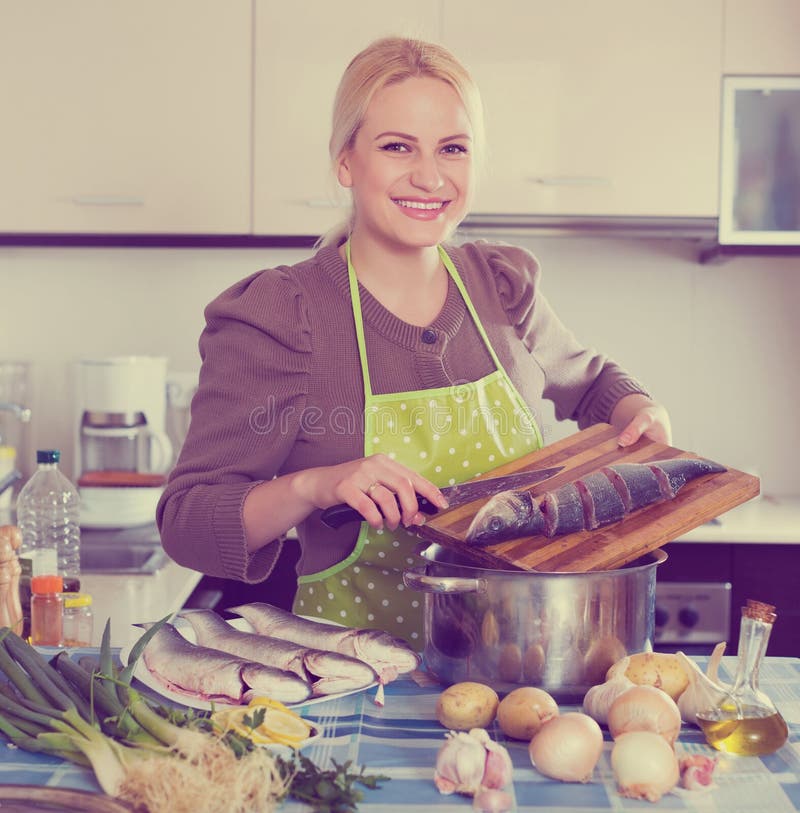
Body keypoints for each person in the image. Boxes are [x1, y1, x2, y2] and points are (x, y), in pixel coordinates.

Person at [157, 36, 670, 648]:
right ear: (346, 162)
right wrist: (314, 485)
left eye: (452, 148)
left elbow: (590, 382)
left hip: (511, 667)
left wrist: (638, 409)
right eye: (397, 146)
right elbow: (187, 522)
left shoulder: (501, 285)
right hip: (354, 678)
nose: (429, 176)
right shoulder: (281, 315)